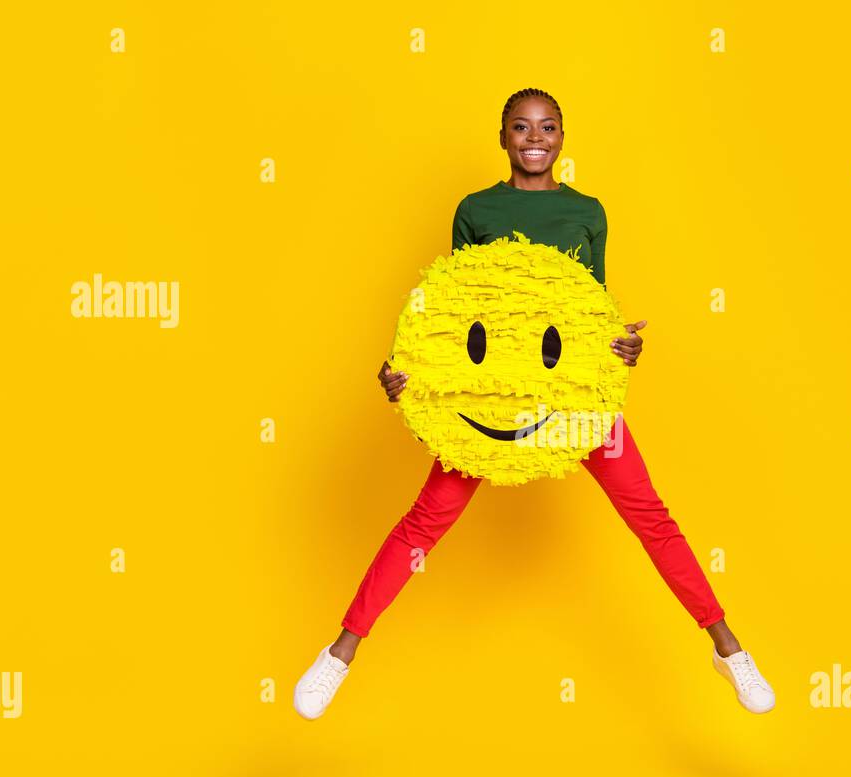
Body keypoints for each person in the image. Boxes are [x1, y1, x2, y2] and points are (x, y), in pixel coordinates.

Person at [294, 88, 774, 720]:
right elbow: (453, 310)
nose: (534, 138)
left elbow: (591, 307)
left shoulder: (588, 212)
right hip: (488, 404)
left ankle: (727, 646)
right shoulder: (476, 209)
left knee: (649, 515)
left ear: (563, 136)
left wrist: (620, 347)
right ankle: (340, 653)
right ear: (504, 138)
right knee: (424, 523)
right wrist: (410, 376)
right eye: (521, 127)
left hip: (571, 397)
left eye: (547, 127)